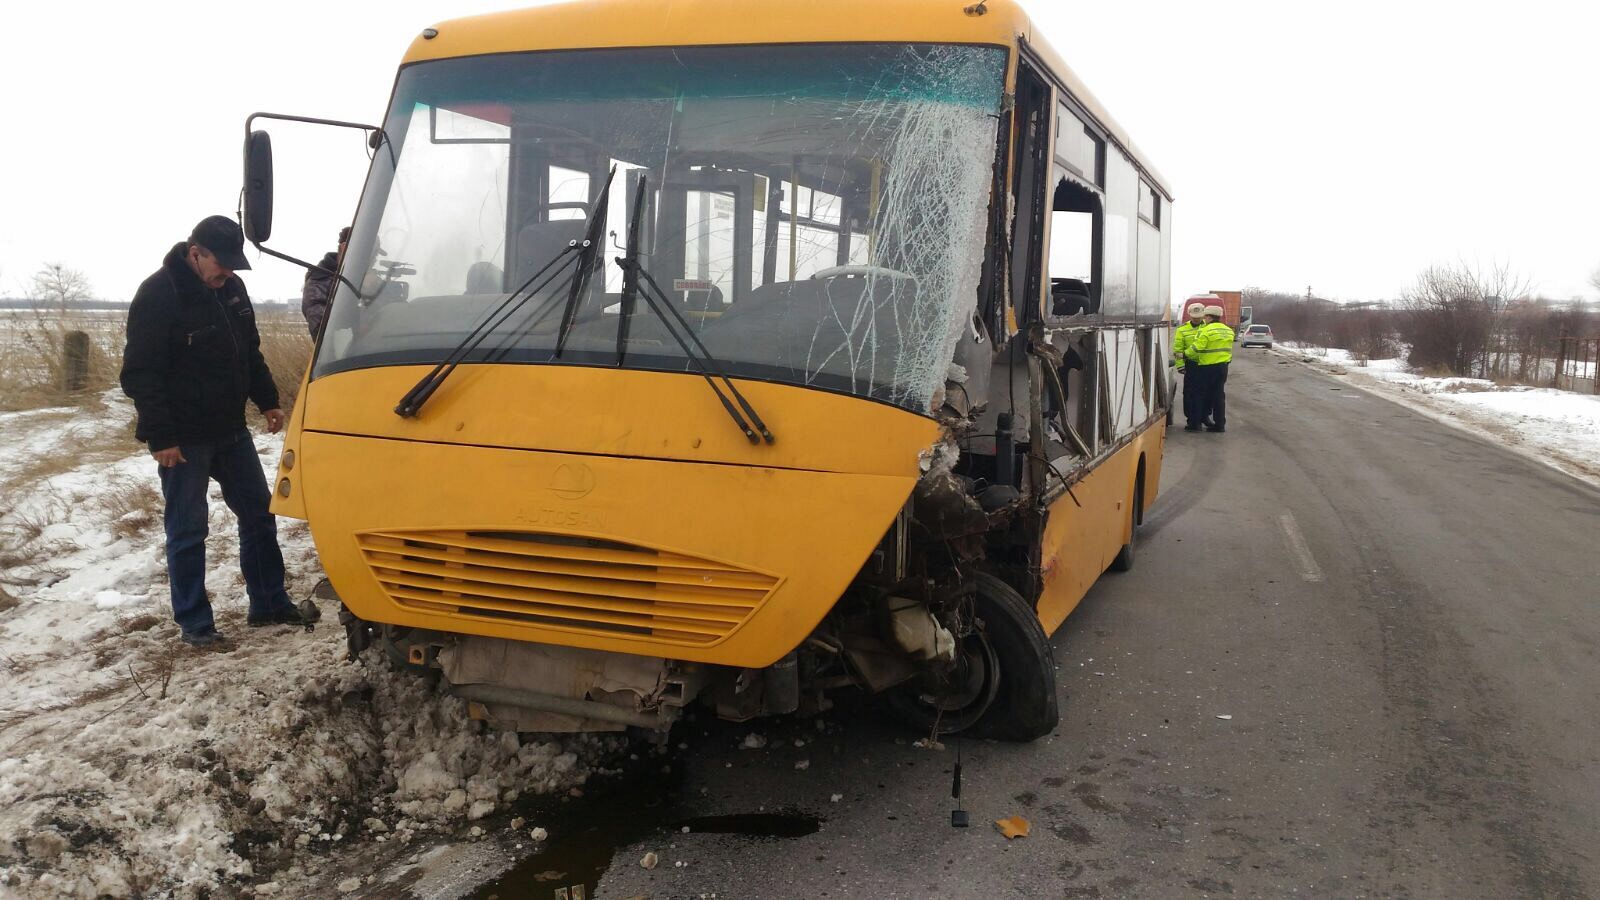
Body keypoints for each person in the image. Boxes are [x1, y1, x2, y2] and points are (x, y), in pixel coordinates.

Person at [120, 215, 309, 647]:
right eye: (219, 264)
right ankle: (196, 625)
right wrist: (161, 436)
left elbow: (249, 351)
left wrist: (268, 400)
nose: (226, 274)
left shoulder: (232, 290)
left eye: (232, 265)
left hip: (230, 430)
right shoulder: (159, 295)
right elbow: (140, 374)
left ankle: (269, 603)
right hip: (183, 439)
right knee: (188, 530)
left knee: (260, 515)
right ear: (195, 253)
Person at [1188, 303, 1235, 432]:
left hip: (1206, 368)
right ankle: (1220, 425)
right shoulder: (1228, 330)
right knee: (1219, 396)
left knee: (1199, 395)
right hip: (1222, 368)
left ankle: (1195, 424)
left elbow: (1197, 348)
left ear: (1208, 317)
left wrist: (1184, 354)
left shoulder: (1205, 330)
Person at [301, 226, 349, 337]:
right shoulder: (318, 283)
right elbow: (321, 330)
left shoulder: (367, 278)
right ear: (344, 248)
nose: (372, 260)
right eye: (370, 254)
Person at [1172, 300, 1208, 431]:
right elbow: (1178, 349)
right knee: (1189, 394)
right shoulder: (1183, 330)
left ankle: (1202, 417)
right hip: (1191, 365)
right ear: (1189, 315)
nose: (1197, 320)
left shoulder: (1208, 328)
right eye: (1194, 317)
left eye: (1199, 317)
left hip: (1206, 365)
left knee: (1205, 394)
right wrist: (1180, 366)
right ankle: (1192, 419)